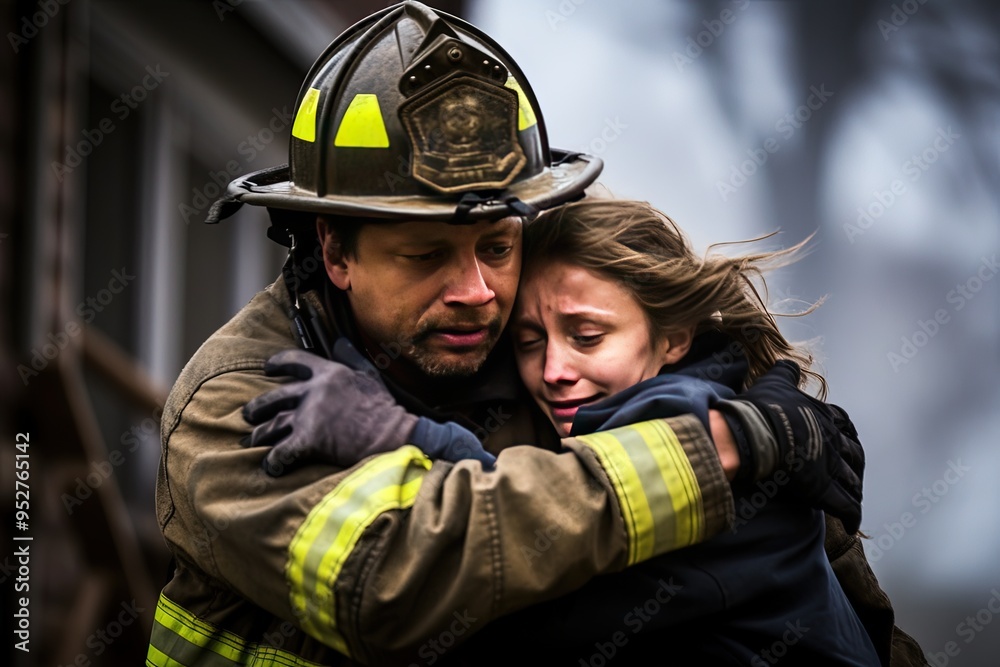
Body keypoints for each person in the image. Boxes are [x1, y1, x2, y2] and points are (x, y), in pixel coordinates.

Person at [146, 3, 919, 666]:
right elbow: (393, 583)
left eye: (497, 246)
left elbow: (843, 605)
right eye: (426, 255)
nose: (478, 293)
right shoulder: (248, 396)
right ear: (334, 251)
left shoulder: (544, 352)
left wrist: (771, 435)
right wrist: (725, 446)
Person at [436, 197, 883, 665]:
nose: (552, 370)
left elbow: (495, 623)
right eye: (529, 342)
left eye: (587, 336)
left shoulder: (685, 434)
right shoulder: (724, 412)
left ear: (673, 338)